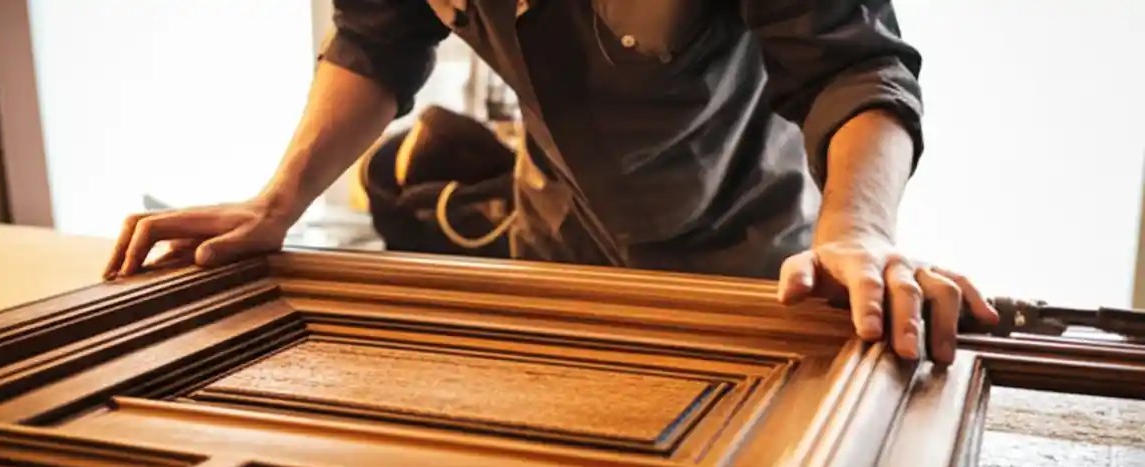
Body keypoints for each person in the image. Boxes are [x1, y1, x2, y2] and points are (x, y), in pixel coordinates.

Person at [104, 0, 1000, 364]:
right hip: (556, 254)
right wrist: (277, 202)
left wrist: (857, 228)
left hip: (752, 263)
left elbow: (857, 71)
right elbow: (377, 44)